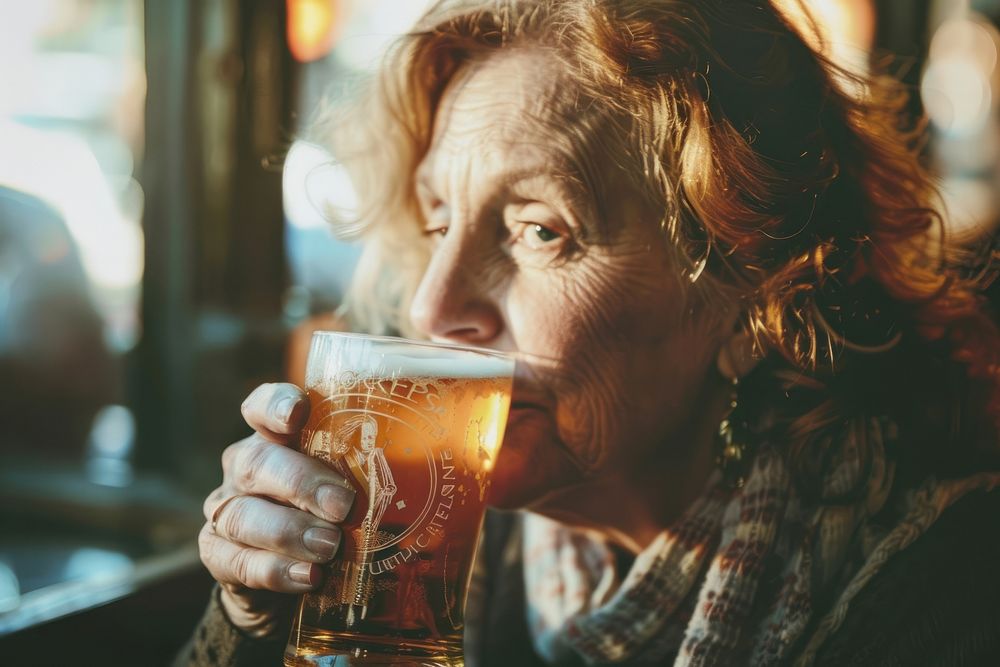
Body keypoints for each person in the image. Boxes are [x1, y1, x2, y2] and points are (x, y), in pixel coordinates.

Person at [177, 1, 1000, 665]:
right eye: (437, 225)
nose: (432, 308)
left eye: (540, 230)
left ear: (755, 300)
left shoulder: (952, 598)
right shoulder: (436, 548)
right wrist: (255, 623)